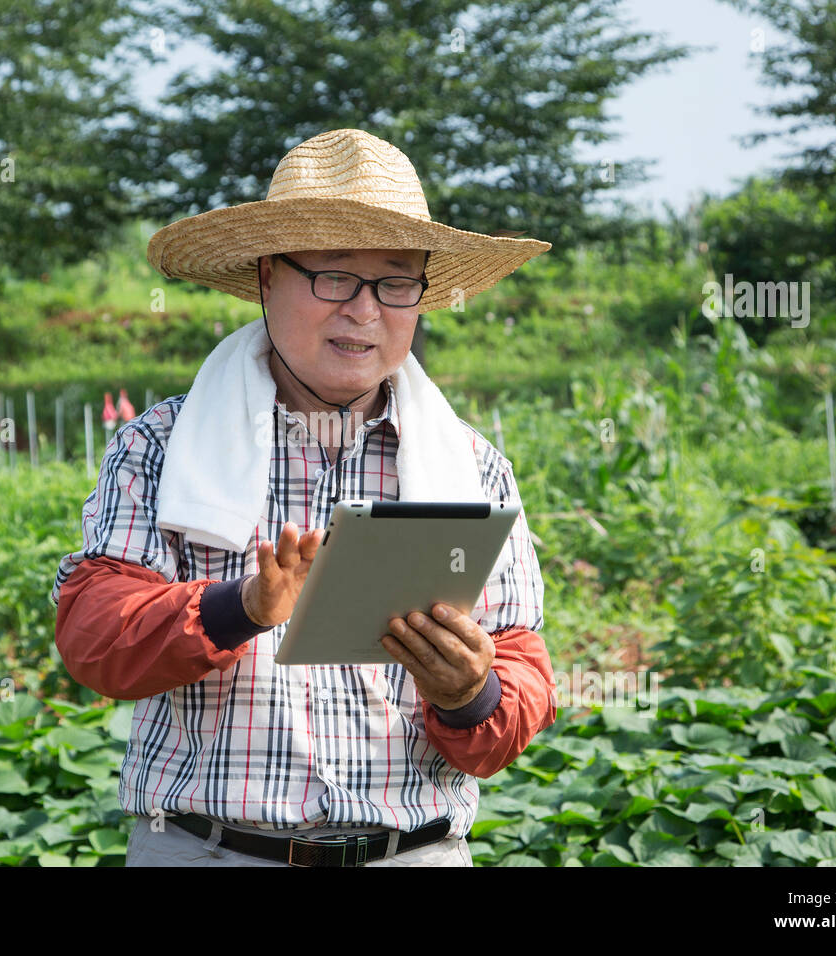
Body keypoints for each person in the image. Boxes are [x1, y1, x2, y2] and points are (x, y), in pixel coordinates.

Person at [50, 128, 557, 867]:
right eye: (333, 277)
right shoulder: (162, 446)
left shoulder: (473, 468)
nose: (364, 311)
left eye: (394, 282)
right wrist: (240, 608)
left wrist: (472, 692)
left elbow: (520, 672)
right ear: (265, 277)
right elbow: (95, 640)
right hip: (211, 853)